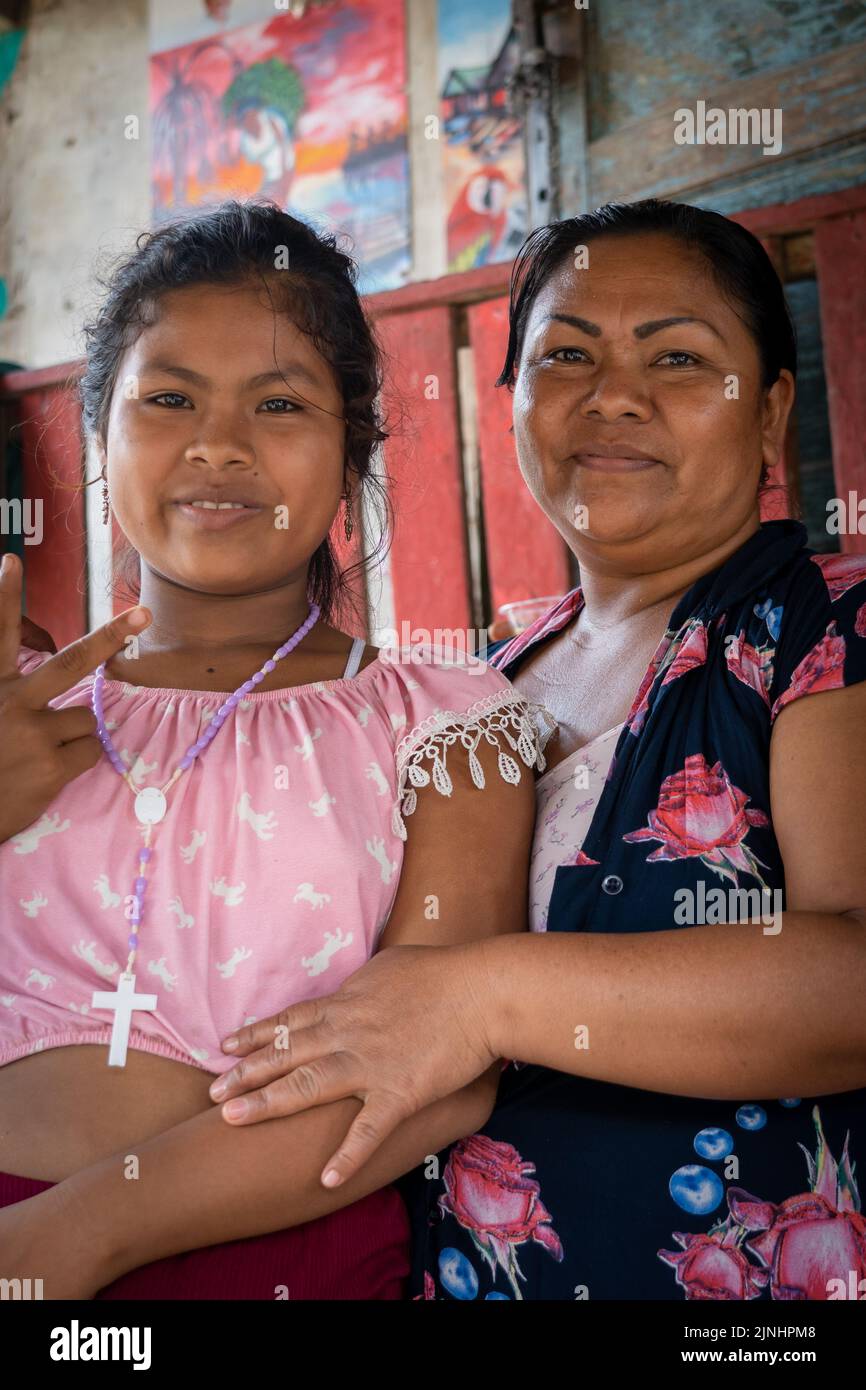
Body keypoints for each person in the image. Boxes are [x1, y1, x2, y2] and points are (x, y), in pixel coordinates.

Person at [206, 199, 866, 1301]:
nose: (613, 395)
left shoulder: (820, 629)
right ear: (512, 402)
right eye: (566, 354)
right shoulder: (465, 689)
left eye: (678, 356)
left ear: (766, 416)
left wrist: (478, 997)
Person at [0, 199, 550, 1299]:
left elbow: (440, 1070)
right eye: (167, 398)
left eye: (280, 402)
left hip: (281, 1257)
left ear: (352, 457)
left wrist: (76, 1234)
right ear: (98, 437)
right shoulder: (18, 710)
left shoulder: (443, 727)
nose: (218, 443)